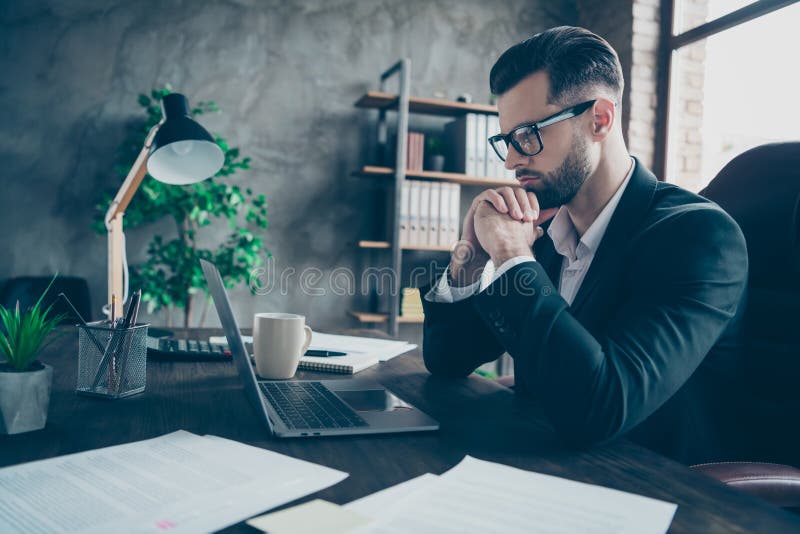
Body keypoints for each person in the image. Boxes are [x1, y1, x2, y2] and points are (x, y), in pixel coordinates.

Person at [421, 26, 748, 464]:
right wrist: (471, 255)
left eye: (529, 134)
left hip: (647, 489)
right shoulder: (543, 232)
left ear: (600, 120)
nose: (513, 159)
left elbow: (599, 409)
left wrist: (513, 257)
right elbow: (446, 359)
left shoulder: (700, 239)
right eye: (507, 140)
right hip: (532, 463)